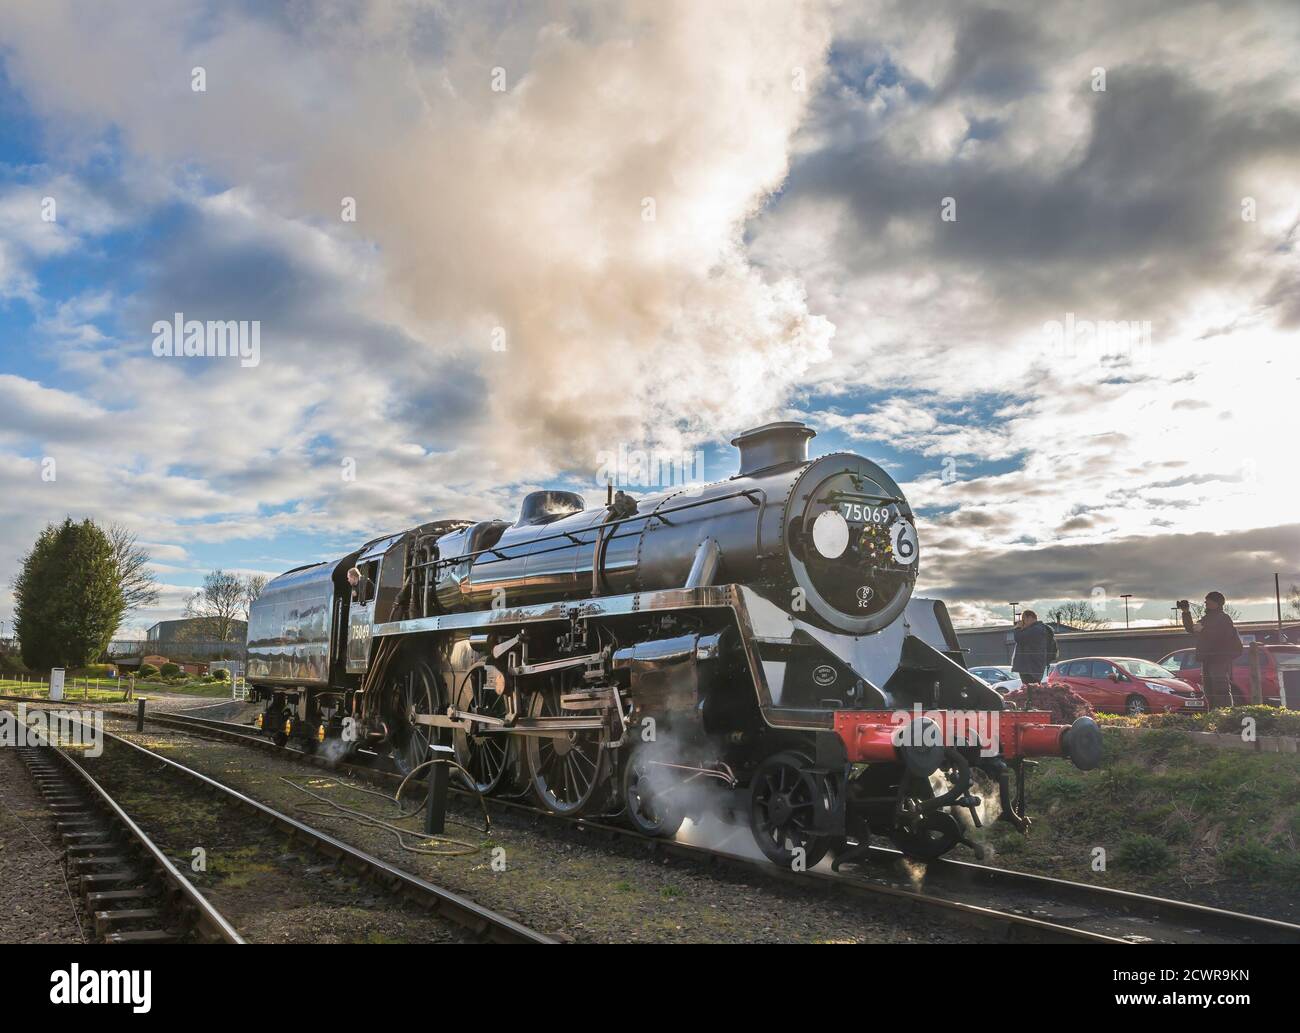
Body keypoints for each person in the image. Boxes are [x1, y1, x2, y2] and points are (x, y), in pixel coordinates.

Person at [1179, 592, 1243, 709]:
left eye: (1208, 601)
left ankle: (1224, 714)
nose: (1205, 603)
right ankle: (1213, 716)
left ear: (1216, 603)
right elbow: (1191, 629)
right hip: (1207, 659)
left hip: (1219, 659)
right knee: (1209, 691)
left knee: (1221, 689)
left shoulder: (1224, 618)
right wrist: (1186, 612)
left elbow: (1223, 636)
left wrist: (1204, 630)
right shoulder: (1206, 618)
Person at [1012, 609, 1056, 684]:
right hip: (1035, 665)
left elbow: (1019, 638)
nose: (1023, 622)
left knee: (1030, 690)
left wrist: (1017, 628)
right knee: (1034, 689)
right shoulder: (1040, 628)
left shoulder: (1035, 629)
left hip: (1030, 667)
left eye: (1024, 619)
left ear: (1029, 618)